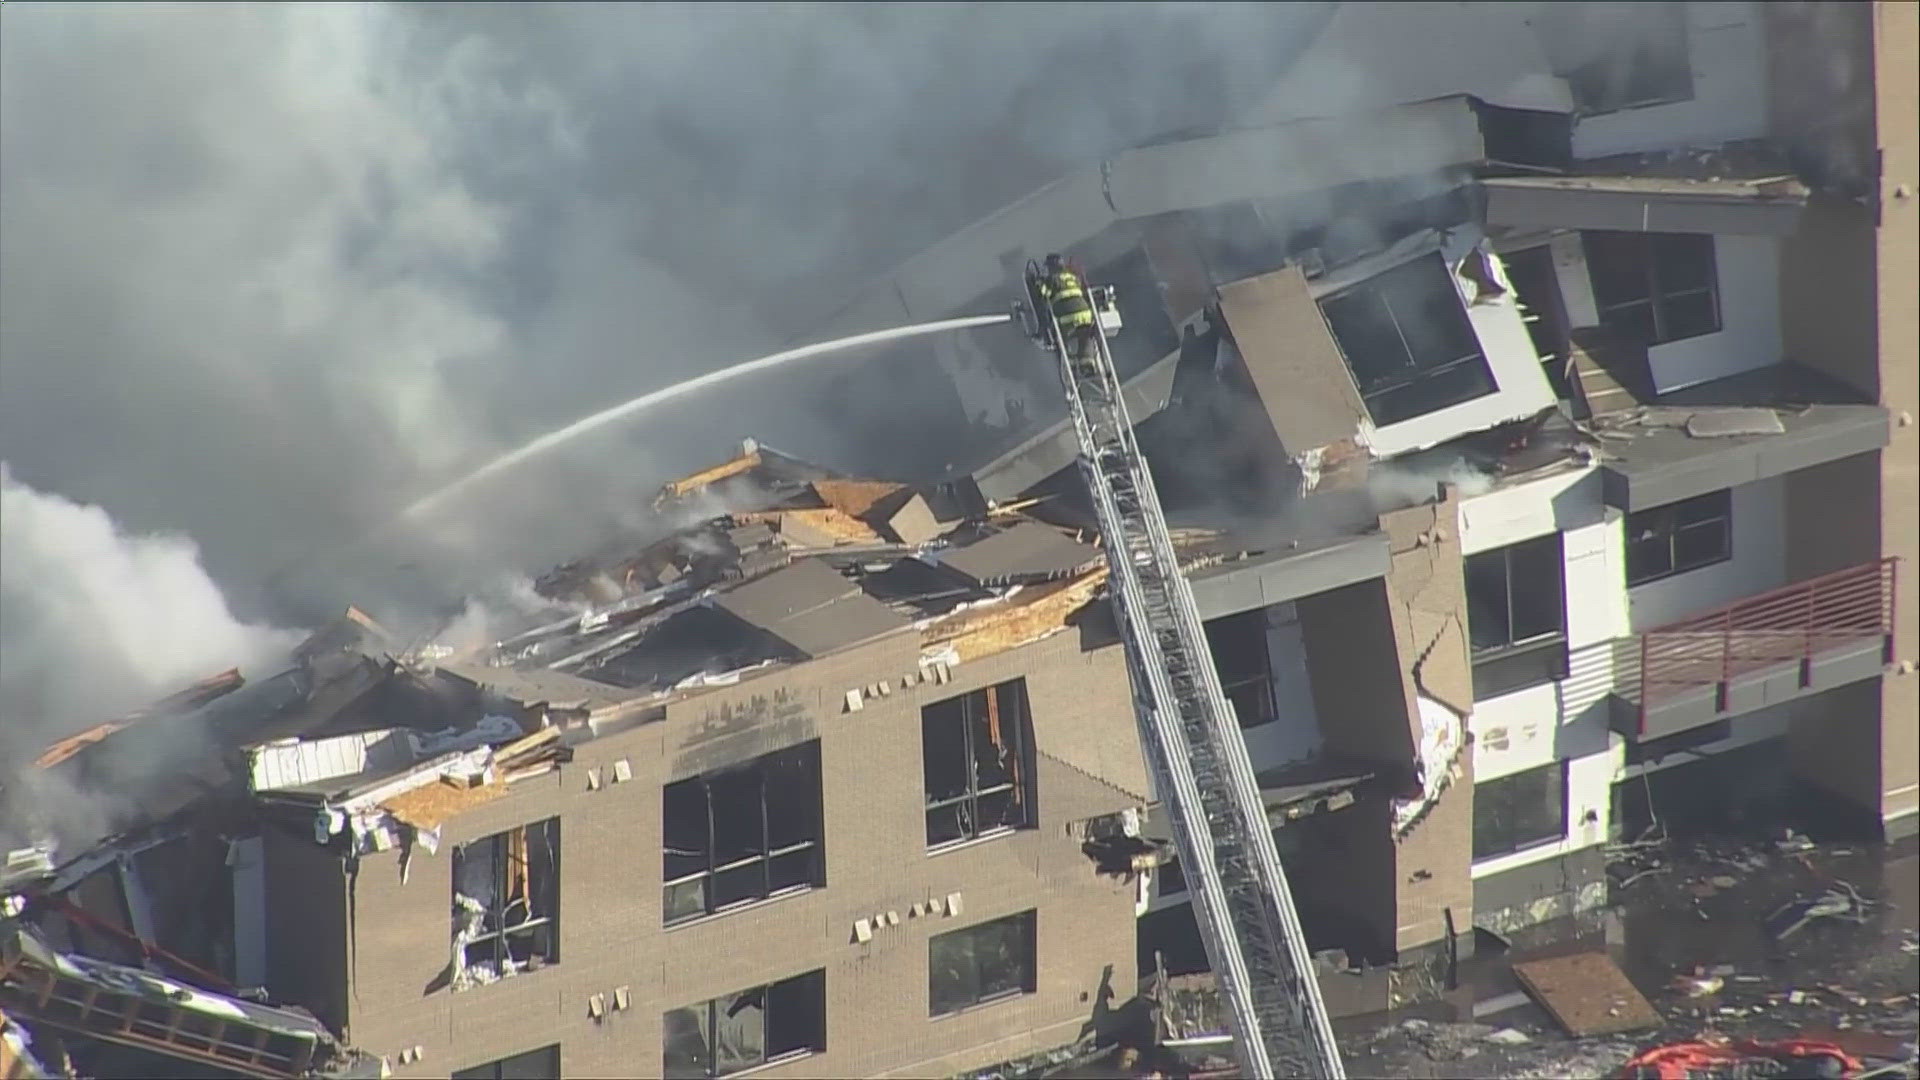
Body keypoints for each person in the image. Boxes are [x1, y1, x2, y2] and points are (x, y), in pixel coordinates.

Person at [1036, 254, 1097, 355]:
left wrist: (1040, 284)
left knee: (1059, 339)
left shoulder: (1052, 279)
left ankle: (1067, 357)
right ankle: (1086, 360)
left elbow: (1045, 295)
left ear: (1051, 267)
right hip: (1086, 315)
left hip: (1068, 318)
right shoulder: (1072, 277)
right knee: (1085, 338)